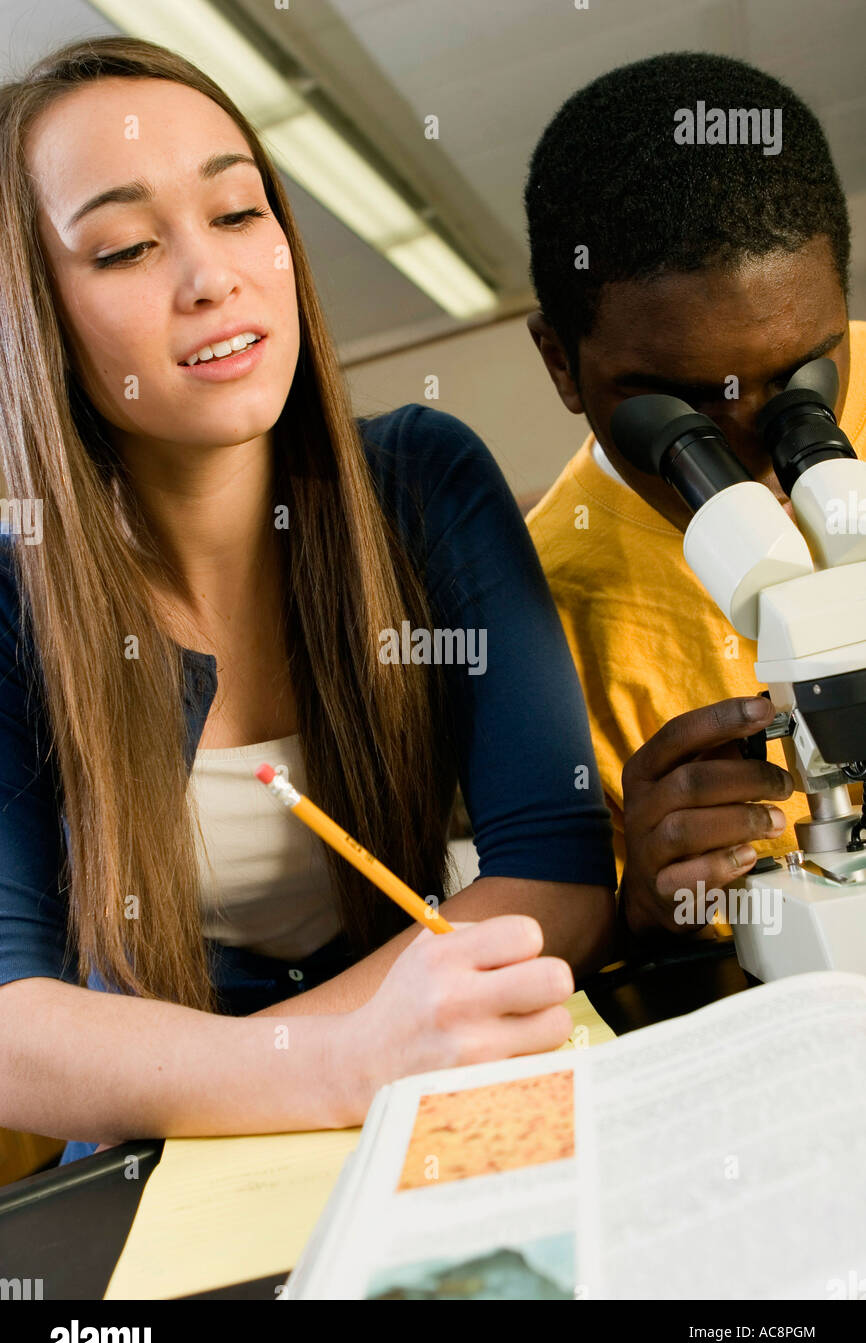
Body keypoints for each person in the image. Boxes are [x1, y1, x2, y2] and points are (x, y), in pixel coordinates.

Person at [0, 37, 616, 1166]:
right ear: (33, 315)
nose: (210, 277)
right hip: (166, 1164)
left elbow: (555, 870)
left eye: (238, 213)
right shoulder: (10, 592)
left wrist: (322, 1062)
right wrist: (339, 1062)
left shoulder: (422, 480)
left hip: (404, 1095)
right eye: (128, 245)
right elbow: (10, 1026)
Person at [523, 50, 866, 941]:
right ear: (563, 363)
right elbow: (583, 973)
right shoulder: (540, 609)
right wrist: (648, 907)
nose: (750, 451)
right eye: (683, 406)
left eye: (798, 380)